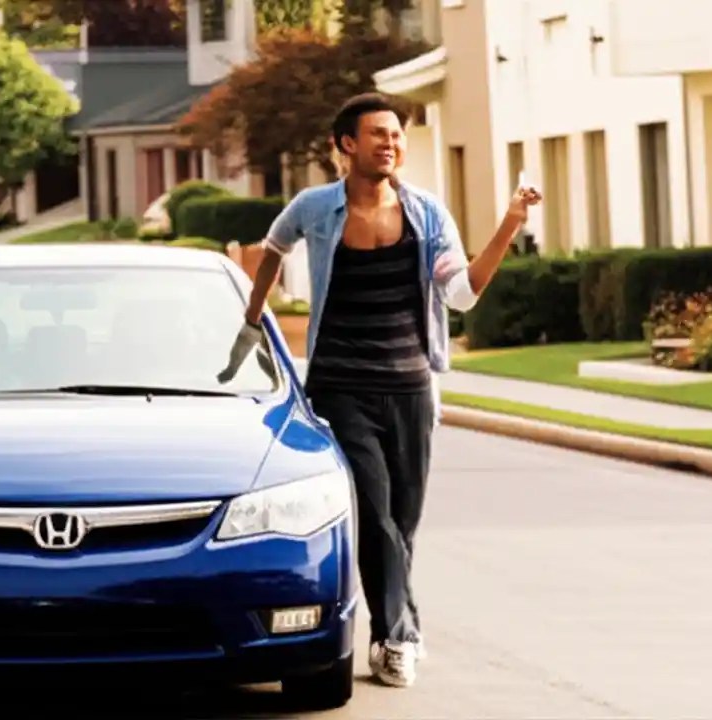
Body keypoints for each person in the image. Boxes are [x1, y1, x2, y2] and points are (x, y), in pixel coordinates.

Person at [218, 92, 541, 688]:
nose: (390, 143)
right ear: (346, 145)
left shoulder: (425, 214)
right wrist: (254, 317)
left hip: (411, 387)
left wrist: (510, 223)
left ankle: (393, 626)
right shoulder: (316, 208)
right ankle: (398, 638)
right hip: (340, 387)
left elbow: (461, 292)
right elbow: (274, 245)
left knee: (404, 521)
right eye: (377, 134)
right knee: (375, 512)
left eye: (396, 134)